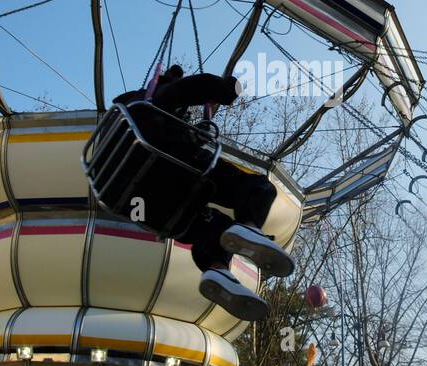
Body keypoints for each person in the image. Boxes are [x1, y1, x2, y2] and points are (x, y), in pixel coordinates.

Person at [112, 65, 292, 321]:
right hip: (166, 168)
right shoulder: (152, 101)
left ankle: (217, 269)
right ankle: (250, 225)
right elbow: (191, 87)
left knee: (212, 227)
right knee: (258, 187)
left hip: (140, 201)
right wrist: (227, 89)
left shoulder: (123, 120)